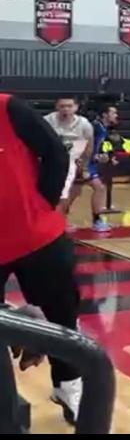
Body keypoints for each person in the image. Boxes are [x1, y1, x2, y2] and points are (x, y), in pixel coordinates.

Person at [1, 89, 88, 423]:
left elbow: (55, 153)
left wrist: (43, 203)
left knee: (62, 312)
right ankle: (24, 327)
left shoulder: (10, 109)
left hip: (36, 235)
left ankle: (68, 384)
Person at [44, 97, 106, 233]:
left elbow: (89, 146)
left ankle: (97, 220)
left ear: (76, 107)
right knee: (66, 194)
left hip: (76, 161)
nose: (66, 109)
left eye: (69, 106)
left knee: (98, 187)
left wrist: (83, 166)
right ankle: (59, 222)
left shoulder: (84, 124)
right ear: (57, 107)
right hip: (54, 162)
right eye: (62, 106)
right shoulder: (48, 121)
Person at [96, 121, 130, 187]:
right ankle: (106, 180)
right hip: (113, 161)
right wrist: (111, 159)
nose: (114, 136)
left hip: (127, 159)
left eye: (115, 135)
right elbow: (104, 153)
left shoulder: (129, 142)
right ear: (109, 136)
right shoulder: (106, 143)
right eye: (111, 135)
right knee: (104, 163)